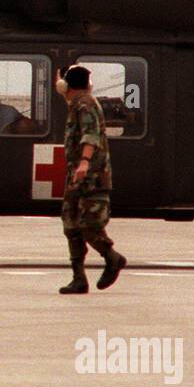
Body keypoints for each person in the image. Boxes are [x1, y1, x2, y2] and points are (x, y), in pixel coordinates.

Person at [57, 64, 126, 294]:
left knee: (89, 225)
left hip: (91, 176)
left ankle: (112, 257)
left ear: (68, 85)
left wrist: (85, 162)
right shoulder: (77, 104)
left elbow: (91, 134)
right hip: (77, 176)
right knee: (71, 223)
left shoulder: (86, 104)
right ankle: (79, 278)